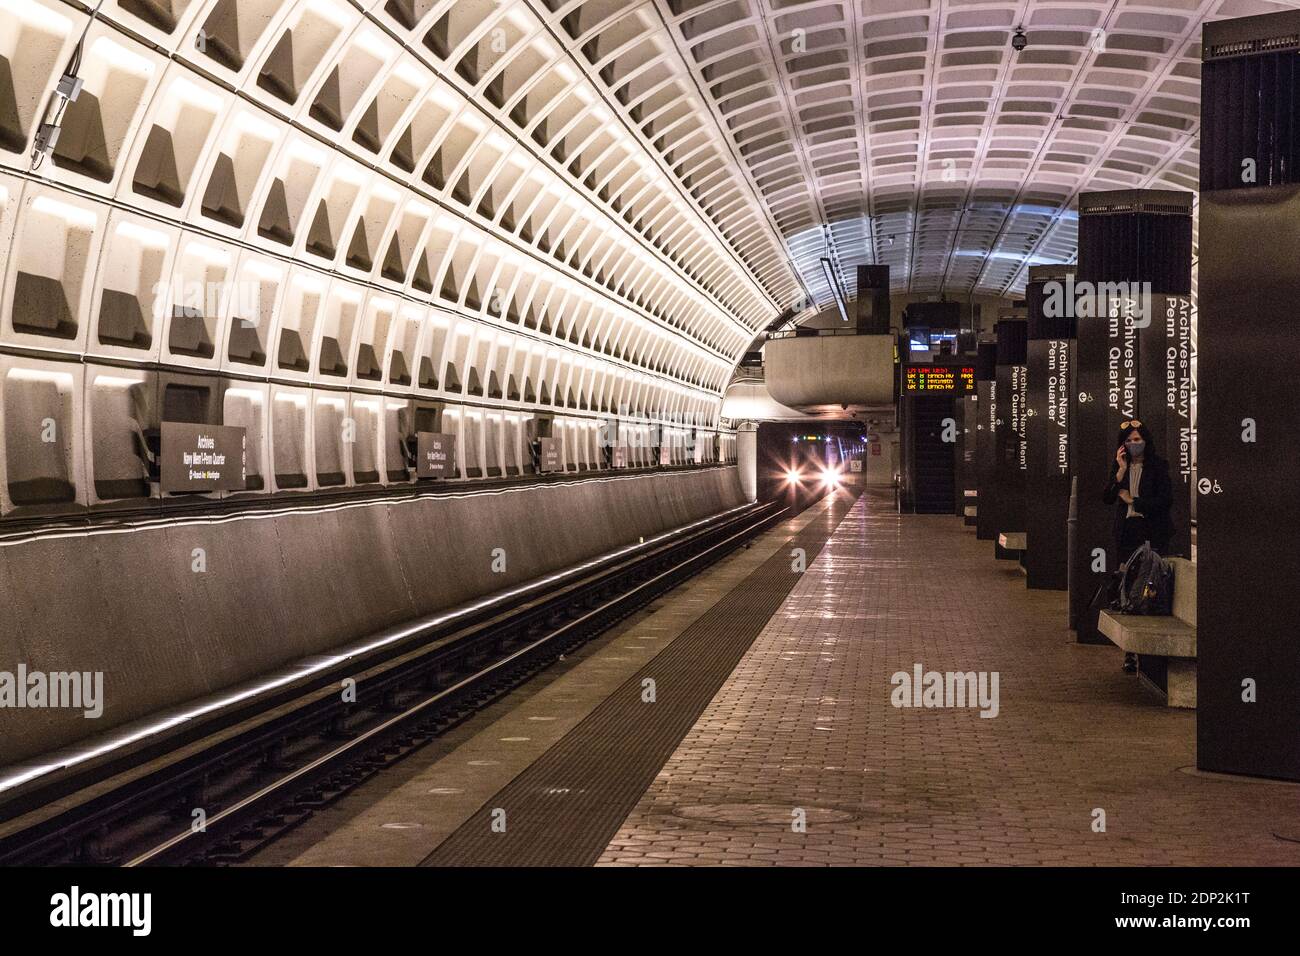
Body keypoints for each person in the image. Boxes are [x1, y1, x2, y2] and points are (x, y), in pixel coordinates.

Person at [1102, 418, 1173, 672]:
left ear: (1146, 440)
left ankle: (1151, 647)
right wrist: (1120, 470)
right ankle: (1130, 653)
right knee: (1127, 587)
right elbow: (1107, 497)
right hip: (1127, 534)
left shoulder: (1157, 467)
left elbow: (1165, 501)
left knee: (1150, 586)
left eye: (1138, 440)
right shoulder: (1120, 467)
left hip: (1151, 534)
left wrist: (1134, 500)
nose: (1134, 444)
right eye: (1129, 441)